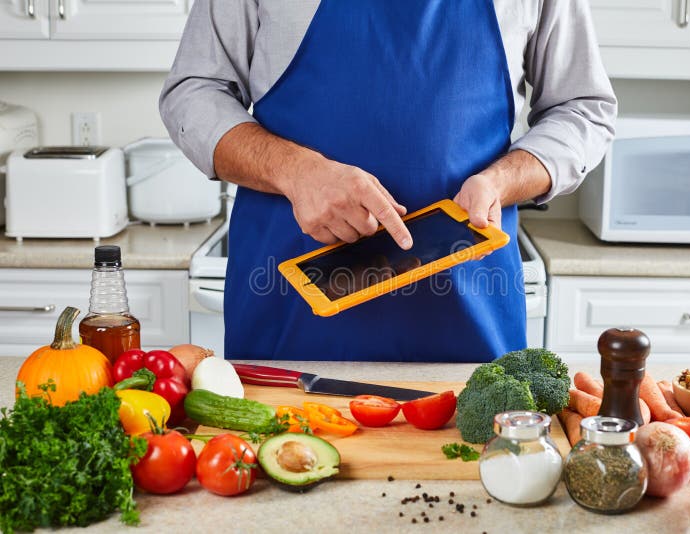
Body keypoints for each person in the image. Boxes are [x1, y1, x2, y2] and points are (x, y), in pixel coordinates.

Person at [160, 0, 617, 362]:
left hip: (469, 320)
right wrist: (295, 171)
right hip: (287, 314)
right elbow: (193, 91)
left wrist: (502, 180)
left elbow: (583, 109)